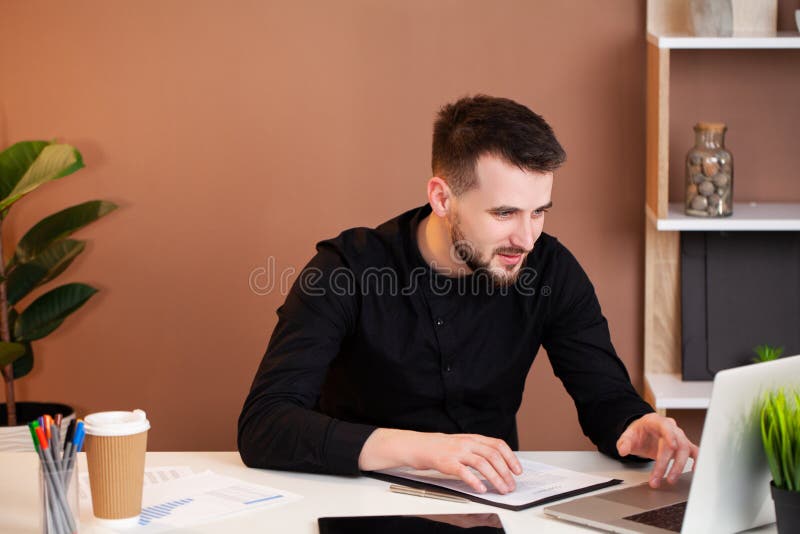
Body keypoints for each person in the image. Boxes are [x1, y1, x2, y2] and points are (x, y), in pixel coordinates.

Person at [238, 95, 698, 495]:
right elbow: (265, 425)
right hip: (355, 504)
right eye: (504, 213)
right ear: (442, 197)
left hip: (491, 509)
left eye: (539, 212)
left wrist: (635, 427)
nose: (527, 237)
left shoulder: (551, 269)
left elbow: (605, 399)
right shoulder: (346, 269)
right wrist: (423, 449)